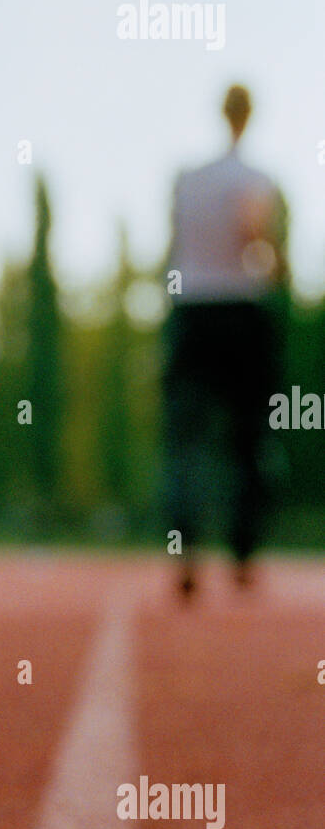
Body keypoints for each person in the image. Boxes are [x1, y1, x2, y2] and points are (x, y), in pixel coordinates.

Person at [164, 84, 288, 597]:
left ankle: (186, 548)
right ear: (250, 116)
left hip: (192, 312)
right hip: (239, 311)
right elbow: (253, 234)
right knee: (246, 438)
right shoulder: (254, 178)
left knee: (185, 439)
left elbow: (170, 246)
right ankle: (241, 551)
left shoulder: (187, 179)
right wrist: (278, 266)